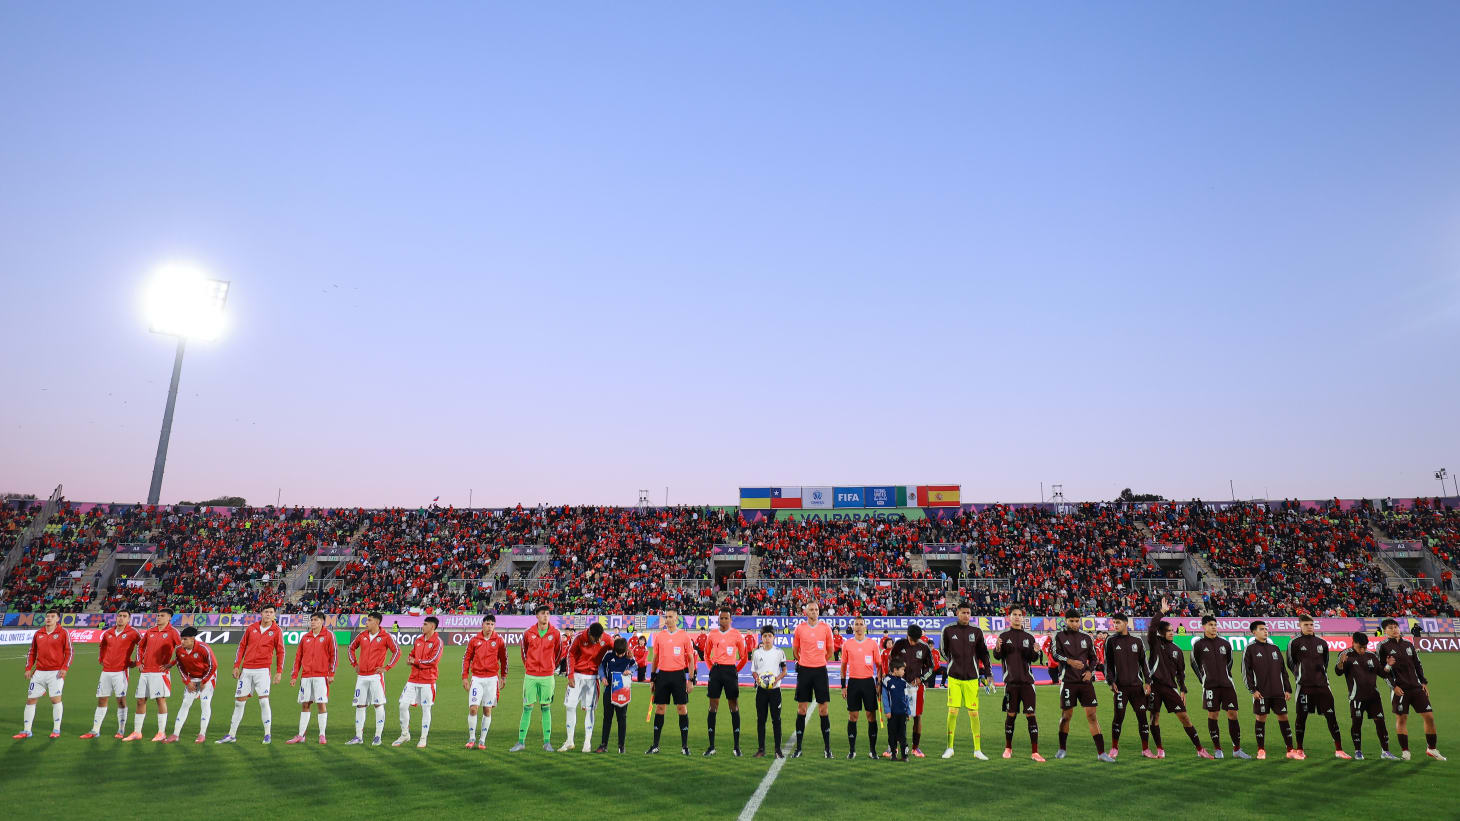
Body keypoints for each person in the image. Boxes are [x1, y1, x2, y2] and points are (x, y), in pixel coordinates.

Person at [1146, 601, 1210, 758]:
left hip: (1170, 687)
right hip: (1154, 686)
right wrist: (1161, 611)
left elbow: (1181, 672)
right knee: (1154, 718)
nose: (1171, 633)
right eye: (1168, 631)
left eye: (1172, 630)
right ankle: (1160, 749)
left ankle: (1200, 749)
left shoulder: (1177, 650)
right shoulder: (1155, 643)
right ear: (1161, 633)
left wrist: (1183, 689)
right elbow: (1152, 627)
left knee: (1184, 717)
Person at [1377, 617, 1444, 760]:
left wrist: (1423, 682)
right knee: (1402, 719)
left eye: (1395, 627)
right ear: (1385, 631)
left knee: (1429, 717)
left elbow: (1417, 664)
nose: (1394, 629)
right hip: (1400, 689)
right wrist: (1393, 686)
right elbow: (1382, 671)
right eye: (1390, 628)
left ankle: (1432, 749)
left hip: (1416, 687)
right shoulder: (1382, 646)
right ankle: (1405, 751)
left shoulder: (1408, 644)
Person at [1052, 610, 1113, 762]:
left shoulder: (1086, 638)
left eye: (1076, 621)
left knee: (1092, 715)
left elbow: (1094, 659)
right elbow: (1055, 654)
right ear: (1066, 621)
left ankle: (1101, 753)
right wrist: (1070, 661)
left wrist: (1090, 672)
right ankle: (1062, 748)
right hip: (1068, 681)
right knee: (1066, 717)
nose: (1074, 623)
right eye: (1071, 621)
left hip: (1085, 682)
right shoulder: (1059, 636)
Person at [219, 605, 285, 744]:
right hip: (247, 670)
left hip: (263, 670)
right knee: (239, 703)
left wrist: (279, 672)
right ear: (261, 613)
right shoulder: (251, 628)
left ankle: (267, 734)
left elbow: (280, 652)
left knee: (263, 701)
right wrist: (236, 665)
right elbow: (241, 646)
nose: (268, 614)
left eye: (271, 612)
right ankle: (231, 734)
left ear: (274, 615)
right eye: (266, 612)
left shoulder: (276, 631)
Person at [1288, 613, 1349, 758]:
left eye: (1311, 625)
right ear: (1300, 626)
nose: (1309, 627)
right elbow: (1291, 663)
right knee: (1301, 717)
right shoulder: (1294, 643)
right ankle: (1300, 749)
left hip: (1322, 686)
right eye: (1306, 625)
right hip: (1304, 686)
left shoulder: (1322, 642)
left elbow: (1325, 662)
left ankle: (1339, 750)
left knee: (1331, 716)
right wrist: (1300, 676)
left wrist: (1319, 675)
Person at [1191, 614, 1249, 758]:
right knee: (1213, 714)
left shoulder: (1225, 643)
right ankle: (1218, 749)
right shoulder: (1198, 645)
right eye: (1211, 625)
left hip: (1227, 684)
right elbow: (1194, 664)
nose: (1214, 628)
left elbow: (1229, 662)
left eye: (1215, 625)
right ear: (1203, 627)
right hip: (1210, 686)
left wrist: (1225, 675)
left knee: (1233, 713)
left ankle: (1237, 749)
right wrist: (1204, 679)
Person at [1336, 632, 1398, 760]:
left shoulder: (1371, 655)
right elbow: (1338, 672)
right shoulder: (1345, 655)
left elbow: (1382, 673)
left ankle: (1385, 752)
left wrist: (1388, 665)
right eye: (1360, 647)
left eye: (1365, 647)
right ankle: (1358, 751)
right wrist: (1341, 663)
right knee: (1357, 724)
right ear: (1353, 643)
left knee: (1380, 723)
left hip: (1374, 697)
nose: (1363, 650)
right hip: (1356, 697)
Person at [512, 605, 565, 753]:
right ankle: (521, 742)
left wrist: (551, 665)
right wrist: (530, 666)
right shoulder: (528, 633)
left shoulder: (555, 633)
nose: (545, 616)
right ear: (536, 615)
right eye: (543, 613)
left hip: (547, 676)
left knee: (546, 707)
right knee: (527, 707)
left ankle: (547, 743)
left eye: (548, 614)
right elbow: (524, 653)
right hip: (531, 675)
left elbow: (559, 652)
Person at [1242, 620, 1297, 759]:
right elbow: (1246, 672)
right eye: (1261, 629)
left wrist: (1288, 689)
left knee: (1284, 717)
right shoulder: (1250, 649)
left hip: (1278, 691)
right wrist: (1252, 690)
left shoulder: (1275, 648)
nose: (1265, 631)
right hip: (1261, 692)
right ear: (1254, 632)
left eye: (1266, 629)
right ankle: (1261, 750)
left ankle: (1290, 750)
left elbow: (1283, 671)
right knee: (1261, 718)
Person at [995, 605, 1043, 761]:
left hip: (1027, 683)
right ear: (1010, 617)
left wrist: (1035, 651)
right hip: (1011, 683)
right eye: (1014, 614)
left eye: (1019, 615)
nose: (1017, 617)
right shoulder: (1004, 635)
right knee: (1011, 714)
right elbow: (997, 656)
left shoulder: (1029, 637)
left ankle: (1035, 752)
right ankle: (1008, 748)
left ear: (1023, 618)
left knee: (1031, 715)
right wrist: (997, 648)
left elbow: (1033, 659)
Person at [82, 608, 139, 739]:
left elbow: (142, 647)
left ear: (129, 619)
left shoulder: (133, 632)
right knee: (102, 699)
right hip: (106, 671)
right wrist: (101, 659)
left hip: (121, 671)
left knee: (121, 701)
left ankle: (121, 730)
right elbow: (102, 647)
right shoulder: (108, 633)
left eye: (124, 616)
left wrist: (136, 662)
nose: (121, 618)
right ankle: (95, 730)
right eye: (119, 615)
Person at [1103, 613, 1154, 759]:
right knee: (1118, 717)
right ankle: (1114, 748)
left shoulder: (1137, 641)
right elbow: (1108, 664)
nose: (1115, 625)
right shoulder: (1111, 641)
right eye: (1114, 623)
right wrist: (1111, 681)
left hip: (1137, 687)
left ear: (1126, 623)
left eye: (1118, 622)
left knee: (1142, 718)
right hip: (1121, 688)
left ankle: (1145, 749)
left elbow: (1144, 663)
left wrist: (1148, 681)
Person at [14, 610, 71, 740]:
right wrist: (28, 668)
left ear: (57, 619)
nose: (49, 618)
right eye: (47, 616)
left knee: (55, 699)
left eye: (52, 616)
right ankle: (27, 731)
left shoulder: (63, 633)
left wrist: (64, 668)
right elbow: (32, 652)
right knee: (30, 700)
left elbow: (69, 652)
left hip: (55, 672)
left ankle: (56, 729)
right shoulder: (38, 633)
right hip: (39, 672)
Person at [346, 612, 401, 745]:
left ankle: (378, 736)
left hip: (376, 676)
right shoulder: (362, 635)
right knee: (360, 705)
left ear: (376, 622)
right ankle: (358, 736)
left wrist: (386, 668)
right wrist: (354, 663)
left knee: (378, 704)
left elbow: (397, 651)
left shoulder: (386, 636)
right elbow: (350, 648)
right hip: (362, 676)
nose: (366, 623)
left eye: (369, 620)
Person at [647, 606, 695, 755]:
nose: (667, 619)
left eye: (670, 617)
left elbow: (691, 659)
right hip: (663, 676)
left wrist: (691, 679)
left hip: (679, 676)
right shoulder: (660, 636)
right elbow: (655, 658)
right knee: (660, 708)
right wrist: (653, 678)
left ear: (676, 618)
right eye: (665, 617)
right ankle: (655, 745)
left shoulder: (684, 636)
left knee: (681, 708)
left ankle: (685, 746)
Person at [126, 608, 179, 742]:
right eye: (158, 615)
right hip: (145, 672)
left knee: (160, 700)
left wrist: (171, 664)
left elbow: (181, 650)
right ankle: (137, 732)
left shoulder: (173, 632)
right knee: (140, 700)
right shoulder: (150, 631)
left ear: (169, 618)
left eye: (162, 615)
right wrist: (139, 662)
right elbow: (140, 647)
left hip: (160, 672)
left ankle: (161, 732)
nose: (159, 617)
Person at [791, 601, 834, 758]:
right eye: (811, 609)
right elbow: (795, 650)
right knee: (802, 708)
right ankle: (799, 748)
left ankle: (827, 749)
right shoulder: (800, 629)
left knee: (823, 709)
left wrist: (819, 661)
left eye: (816, 609)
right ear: (806, 612)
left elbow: (830, 650)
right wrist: (805, 662)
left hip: (820, 671)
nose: (814, 612)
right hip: (804, 671)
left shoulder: (825, 628)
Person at [702, 606, 747, 756]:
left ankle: (736, 746)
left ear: (730, 619)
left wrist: (735, 670)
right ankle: (711, 746)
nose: (724, 620)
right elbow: (706, 654)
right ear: (718, 619)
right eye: (721, 618)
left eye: (726, 618)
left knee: (733, 706)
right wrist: (711, 669)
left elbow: (744, 656)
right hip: (716, 672)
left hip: (730, 672)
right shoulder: (712, 634)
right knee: (712, 707)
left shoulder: (736, 635)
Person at [287, 612, 337, 745]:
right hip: (306, 676)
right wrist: (294, 676)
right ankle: (301, 735)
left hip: (321, 676)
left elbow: (334, 656)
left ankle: (322, 735)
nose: (313, 622)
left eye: (315, 620)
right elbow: (298, 658)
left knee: (321, 704)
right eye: (312, 620)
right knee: (305, 704)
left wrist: (331, 673)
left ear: (322, 622)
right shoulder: (305, 637)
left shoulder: (329, 635)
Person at [562, 622, 613, 752]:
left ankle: (587, 742)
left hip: (593, 678)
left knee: (590, 710)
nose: (598, 641)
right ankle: (569, 740)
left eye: (600, 638)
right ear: (590, 635)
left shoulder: (606, 638)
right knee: (570, 706)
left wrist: (626, 653)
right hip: (577, 676)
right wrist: (570, 675)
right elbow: (570, 655)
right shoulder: (579, 638)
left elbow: (617, 649)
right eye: (596, 639)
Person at [886, 624, 935, 757]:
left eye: (916, 640)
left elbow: (931, 667)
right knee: (897, 716)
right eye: (912, 639)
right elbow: (891, 662)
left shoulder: (924, 647)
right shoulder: (899, 645)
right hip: (900, 686)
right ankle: (894, 747)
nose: (914, 642)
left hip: (916, 687)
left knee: (917, 716)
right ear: (907, 635)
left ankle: (915, 747)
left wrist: (921, 678)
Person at [395, 615, 443, 748]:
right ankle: (405, 734)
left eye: (425, 624)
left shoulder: (438, 642)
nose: (423, 626)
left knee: (426, 709)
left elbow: (433, 661)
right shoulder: (418, 640)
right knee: (403, 706)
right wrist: (410, 658)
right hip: (413, 679)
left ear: (432, 627)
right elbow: (412, 653)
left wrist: (415, 661)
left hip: (428, 680)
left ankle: (423, 738)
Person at [462, 614, 509, 749]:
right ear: (482, 624)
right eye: (487, 624)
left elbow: (504, 659)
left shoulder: (499, 640)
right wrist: (465, 677)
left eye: (492, 624)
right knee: (473, 708)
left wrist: (503, 676)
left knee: (487, 710)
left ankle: (482, 740)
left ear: (494, 626)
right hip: (477, 678)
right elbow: (466, 658)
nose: (489, 627)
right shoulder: (474, 640)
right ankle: (471, 738)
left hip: (492, 679)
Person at [842, 614, 883, 760]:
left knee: (871, 716)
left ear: (865, 626)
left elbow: (879, 666)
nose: (859, 626)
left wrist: (878, 683)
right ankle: (852, 750)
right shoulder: (847, 644)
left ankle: (873, 750)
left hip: (868, 683)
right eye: (856, 624)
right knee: (853, 716)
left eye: (861, 624)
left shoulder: (872, 643)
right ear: (853, 627)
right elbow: (843, 665)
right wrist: (843, 686)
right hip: (853, 682)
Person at [169, 626, 217, 743]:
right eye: (182, 639)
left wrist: (204, 681)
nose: (182, 642)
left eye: (185, 639)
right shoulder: (179, 650)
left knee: (205, 703)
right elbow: (179, 666)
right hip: (192, 678)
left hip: (207, 677)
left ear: (192, 639)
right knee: (185, 703)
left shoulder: (204, 648)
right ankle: (175, 734)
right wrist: (187, 681)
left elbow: (213, 666)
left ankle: (202, 733)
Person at [750, 625, 787, 758]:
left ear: (774, 638)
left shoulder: (779, 652)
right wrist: (757, 679)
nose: (767, 638)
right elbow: (753, 671)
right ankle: (761, 749)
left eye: (769, 636)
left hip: (775, 691)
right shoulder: (757, 653)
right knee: (761, 719)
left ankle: (777, 750)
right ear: (762, 638)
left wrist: (776, 679)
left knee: (776, 720)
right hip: (761, 691)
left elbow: (784, 671)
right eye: (765, 636)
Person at [595, 637, 635, 753]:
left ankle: (621, 746)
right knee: (607, 718)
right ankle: (603, 745)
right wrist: (602, 677)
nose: (620, 656)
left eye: (622, 654)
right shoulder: (608, 655)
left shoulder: (629, 654)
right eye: (618, 653)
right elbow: (601, 666)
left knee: (621, 718)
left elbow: (635, 665)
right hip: (609, 690)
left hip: (622, 691)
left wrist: (630, 670)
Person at [884, 659, 911, 761]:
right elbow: (885, 697)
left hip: (902, 713)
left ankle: (904, 756)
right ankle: (893, 755)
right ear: (895, 670)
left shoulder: (904, 682)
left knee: (903, 735)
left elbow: (906, 698)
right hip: (892, 714)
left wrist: (908, 711)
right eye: (902, 670)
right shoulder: (887, 681)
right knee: (892, 735)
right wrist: (887, 710)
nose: (904, 672)